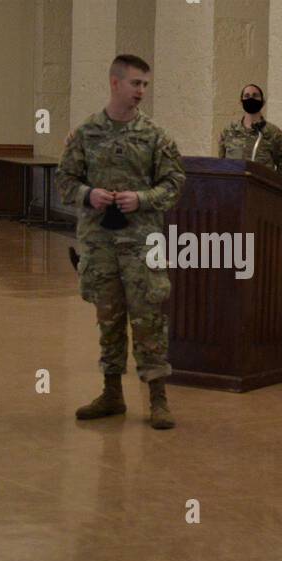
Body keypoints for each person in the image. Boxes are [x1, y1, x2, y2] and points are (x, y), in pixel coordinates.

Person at [56, 54, 186, 430]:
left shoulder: (155, 136)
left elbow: (175, 183)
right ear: (115, 83)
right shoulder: (85, 133)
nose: (141, 92)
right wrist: (87, 194)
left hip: (142, 244)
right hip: (100, 244)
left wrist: (141, 199)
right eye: (135, 84)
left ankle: (158, 398)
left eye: (145, 84)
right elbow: (64, 180)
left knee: (149, 320)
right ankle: (112, 393)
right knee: (108, 319)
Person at [218, 84, 282, 182]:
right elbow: (222, 163)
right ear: (241, 102)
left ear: (262, 101)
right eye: (247, 96)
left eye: (255, 95)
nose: (251, 98)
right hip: (233, 189)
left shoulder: (274, 134)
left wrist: (273, 189)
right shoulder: (228, 131)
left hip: (261, 192)